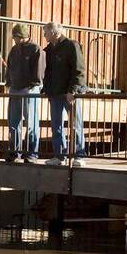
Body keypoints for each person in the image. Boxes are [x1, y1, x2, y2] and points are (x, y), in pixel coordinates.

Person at [42, 23, 87, 166]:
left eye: (46, 33)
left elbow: (79, 70)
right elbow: (47, 73)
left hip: (69, 93)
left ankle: (79, 155)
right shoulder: (48, 50)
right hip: (54, 94)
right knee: (56, 125)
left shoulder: (71, 46)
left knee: (75, 124)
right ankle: (59, 156)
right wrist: (46, 89)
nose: (44, 36)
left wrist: (73, 90)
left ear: (54, 33)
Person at [4, 23, 42, 161]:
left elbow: (38, 70)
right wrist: (8, 82)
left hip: (29, 89)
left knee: (31, 122)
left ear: (21, 36)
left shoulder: (35, 49)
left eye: (15, 37)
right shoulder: (14, 50)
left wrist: (34, 84)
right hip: (15, 88)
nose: (14, 39)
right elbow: (9, 67)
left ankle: (32, 153)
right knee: (13, 123)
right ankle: (15, 152)